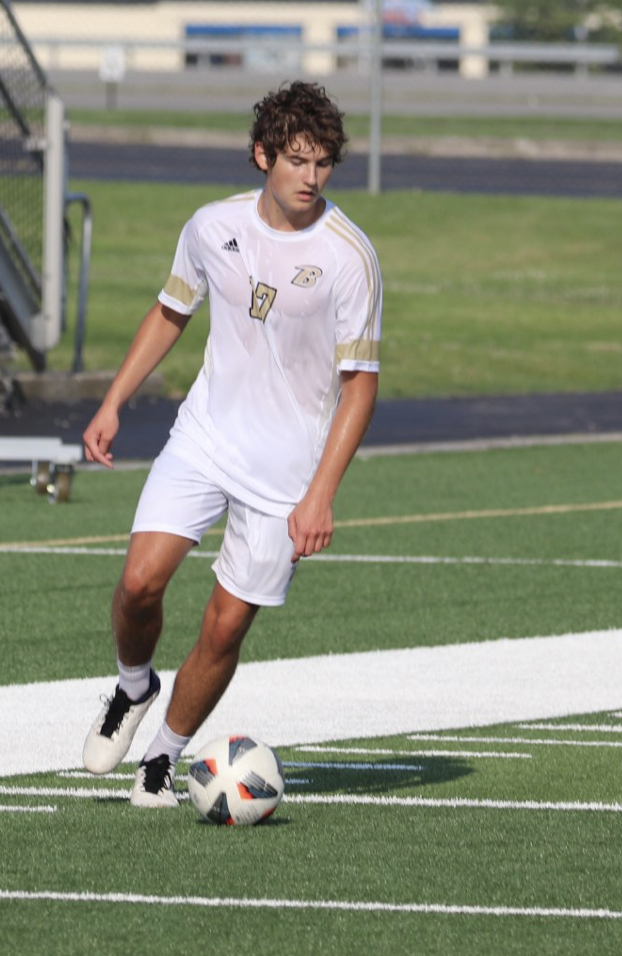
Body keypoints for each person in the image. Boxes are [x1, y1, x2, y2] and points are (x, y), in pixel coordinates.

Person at [81, 81, 381, 808]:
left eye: (323, 164)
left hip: (287, 471)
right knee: (139, 581)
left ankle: (164, 755)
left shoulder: (349, 256)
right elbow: (170, 310)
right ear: (262, 156)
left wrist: (320, 496)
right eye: (297, 161)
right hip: (206, 436)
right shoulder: (210, 226)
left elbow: (360, 385)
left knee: (224, 625)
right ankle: (132, 687)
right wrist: (113, 401)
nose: (311, 178)